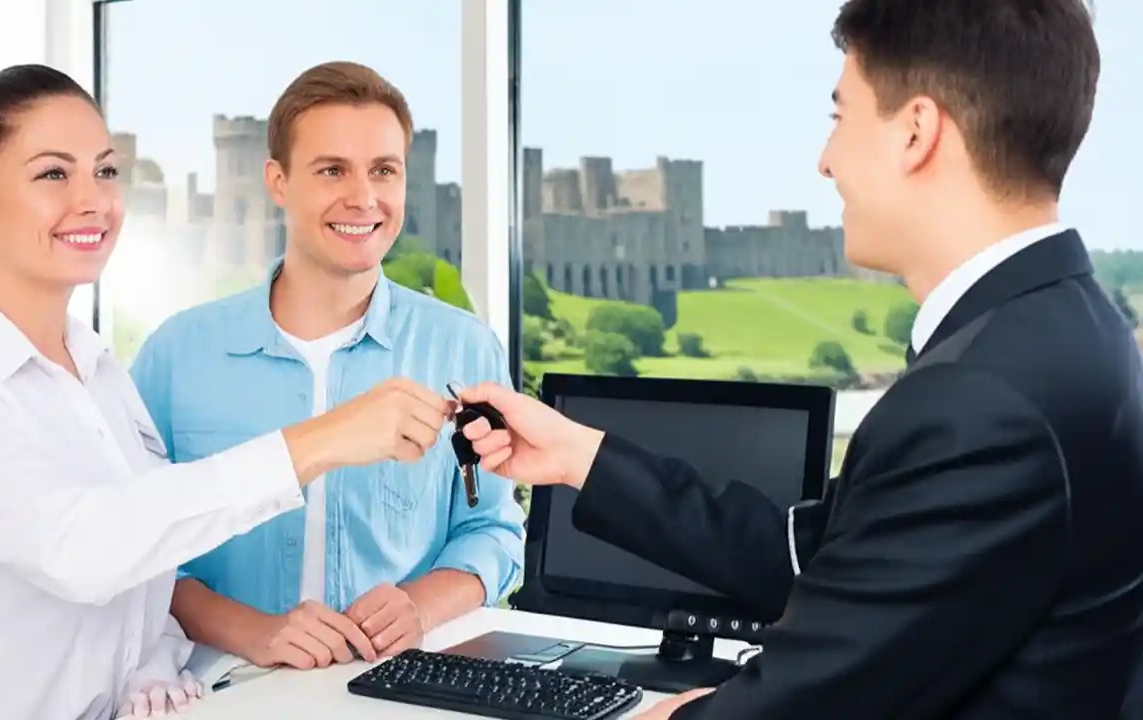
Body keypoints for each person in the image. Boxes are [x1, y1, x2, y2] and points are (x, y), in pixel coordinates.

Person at [458, 0, 1143, 717]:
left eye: (840, 117)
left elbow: (816, 698)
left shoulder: (982, 398)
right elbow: (817, 558)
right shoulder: (1071, 327)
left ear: (916, 131)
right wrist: (582, 459)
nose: (825, 161)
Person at [0, 64, 452, 720]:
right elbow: (84, 551)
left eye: (105, 171)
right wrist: (319, 442)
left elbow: (143, 573)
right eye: (54, 174)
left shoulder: (101, 377)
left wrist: (157, 663)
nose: (93, 200)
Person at [129, 60, 525, 671]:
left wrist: (420, 606)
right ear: (278, 181)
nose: (363, 198)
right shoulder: (176, 355)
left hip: (398, 693)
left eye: (383, 171)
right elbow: (137, 548)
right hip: (217, 693)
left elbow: (494, 531)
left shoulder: (463, 349)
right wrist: (255, 634)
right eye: (332, 170)